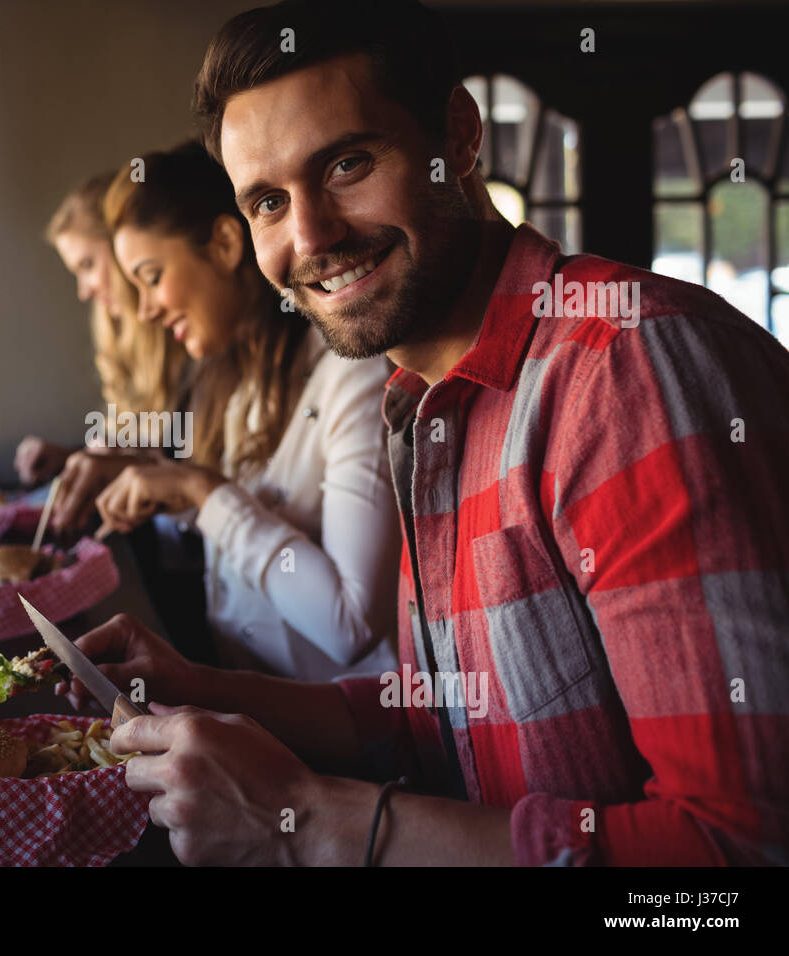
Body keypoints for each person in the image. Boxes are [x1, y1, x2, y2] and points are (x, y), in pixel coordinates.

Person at [60, 0, 789, 866]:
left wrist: (307, 818)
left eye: (349, 163)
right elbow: (447, 712)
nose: (311, 237)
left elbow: (736, 853)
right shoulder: (421, 397)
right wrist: (206, 691)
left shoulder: (627, 370)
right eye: (266, 202)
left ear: (459, 136)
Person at [87, 141, 401, 681]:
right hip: (249, 711)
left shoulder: (351, 376)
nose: (145, 309)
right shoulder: (230, 378)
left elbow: (350, 626)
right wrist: (154, 484)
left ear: (226, 243)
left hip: (351, 746)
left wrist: (203, 491)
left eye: (152, 275)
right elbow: (228, 527)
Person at [14, 172, 186, 487]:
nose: (84, 291)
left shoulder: (191, 338)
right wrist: (69, 458)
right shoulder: (126, 349)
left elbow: (187, 471)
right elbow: (138, 457)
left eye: (88, 265)